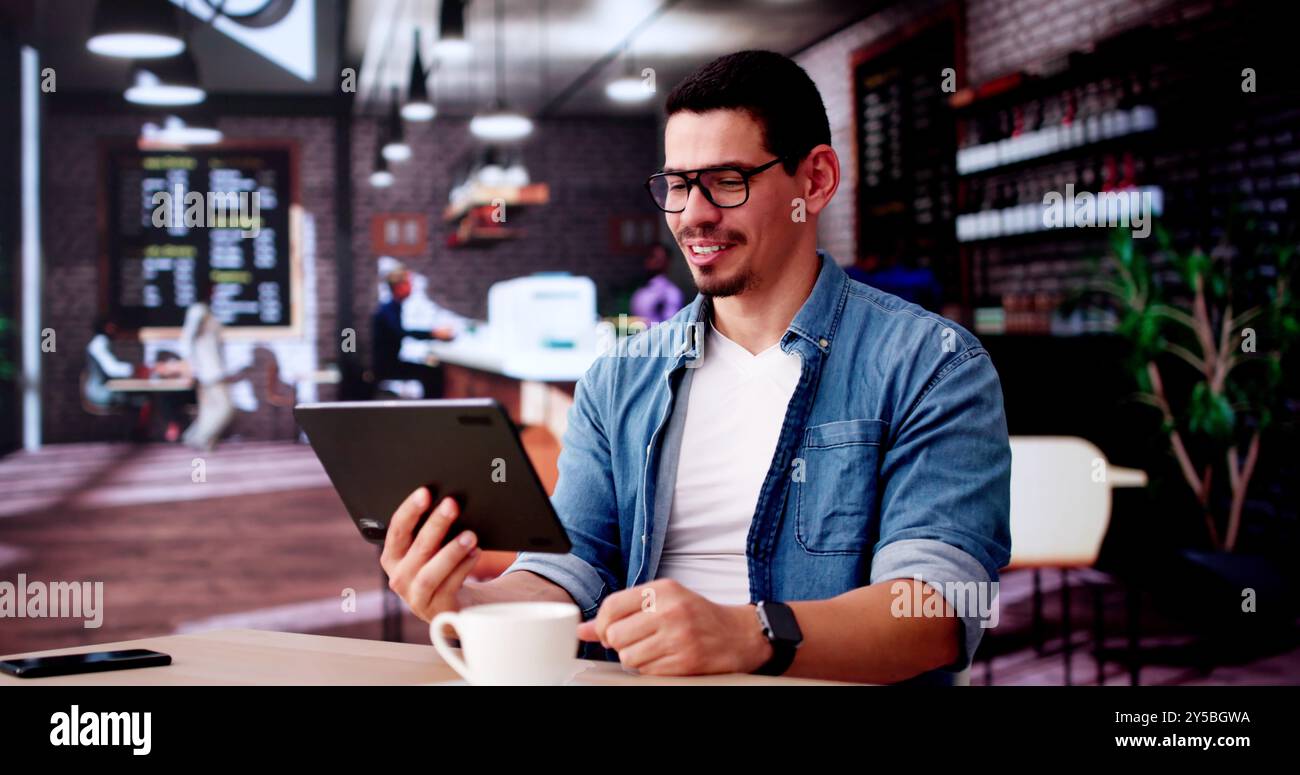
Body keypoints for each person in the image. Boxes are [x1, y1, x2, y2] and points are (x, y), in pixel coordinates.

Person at [380, 51, 1011, 684]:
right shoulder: (619, 378)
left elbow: (936, 607)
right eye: (678, 185)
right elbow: (573, 568)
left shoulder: (932, 364)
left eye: (728, 180)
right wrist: (471, 604)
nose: (693, 215)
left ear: (815, 181)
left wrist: (750, 634)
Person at [371, 265, 459, 399]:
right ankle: (432, 411)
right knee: (432, 373)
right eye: (408, 284)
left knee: (432, 371)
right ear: (399, 287)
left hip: (391, 363)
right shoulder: (387, 310)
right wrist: (433, 334)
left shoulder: (393, 307)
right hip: (387, 366)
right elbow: (400, 333)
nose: (411, 287)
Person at [180, 285, 235, 451]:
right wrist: (193, 366)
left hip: (212, 369)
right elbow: (186, 339)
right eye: (213, 289)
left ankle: (192, 437)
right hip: (209, 371)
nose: (215, 293)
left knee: (209, 410)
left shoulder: (206, 311)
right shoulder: (199, 311)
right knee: (226, 409)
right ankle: (200, 437)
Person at [629, 243, 685, 323]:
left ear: (666, 263)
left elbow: (670, 324)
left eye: (658, 260)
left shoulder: (670, 293)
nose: (651, 262)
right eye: (650, 257)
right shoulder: (642, 288)